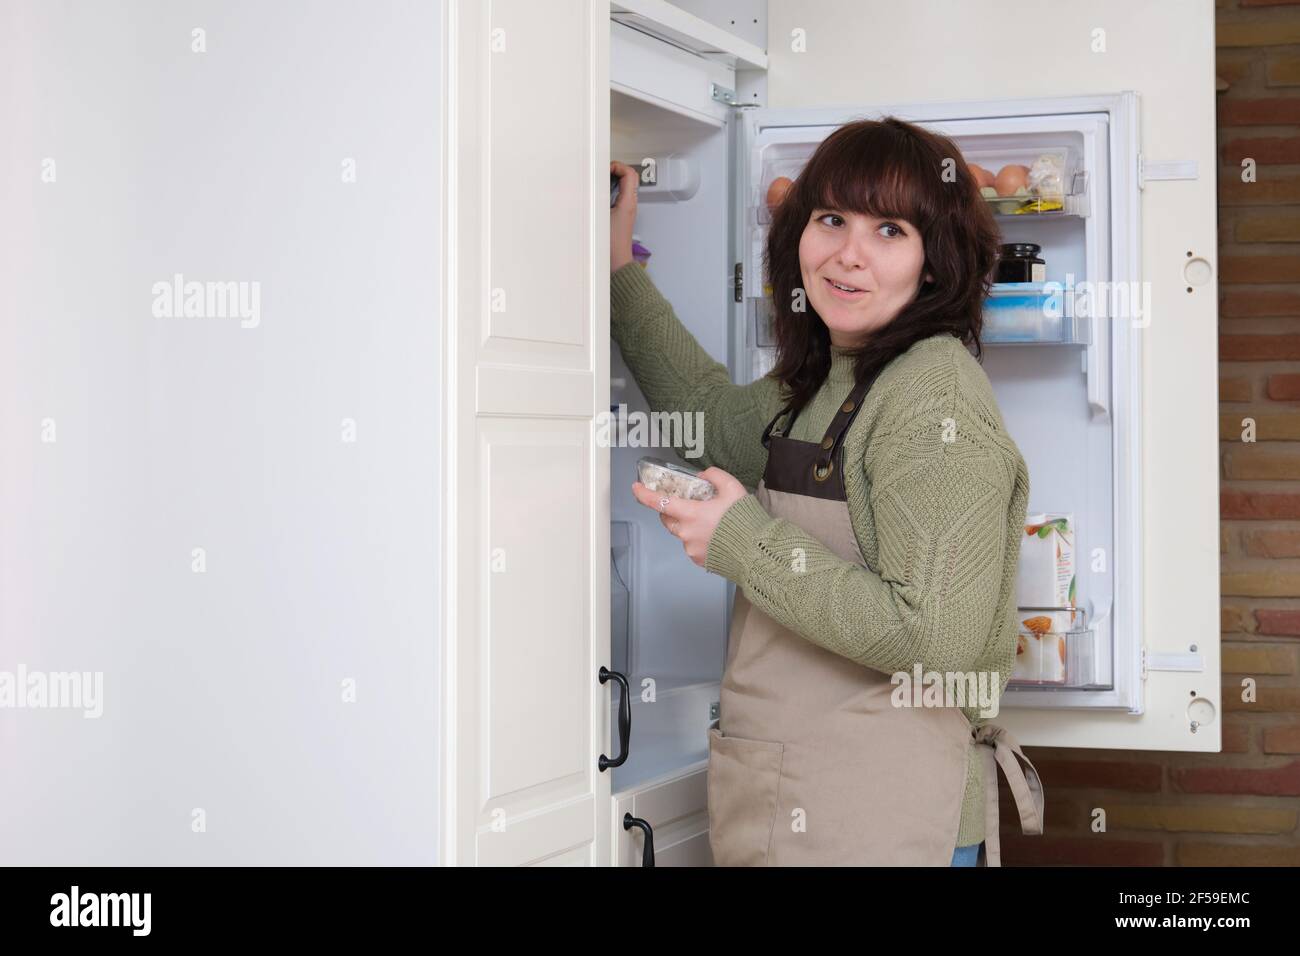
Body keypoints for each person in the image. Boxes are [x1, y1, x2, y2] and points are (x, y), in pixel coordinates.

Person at [610, 117, 1043, 866]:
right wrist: (619, 268)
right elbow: (711, 420)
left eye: (889, 231)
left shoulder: (931, 395)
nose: (848, 255)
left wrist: (743, 544)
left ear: (934, 263)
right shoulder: (829, 375)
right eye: (832, 219)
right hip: (806, 805)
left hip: (888, 823)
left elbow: (933, 640)